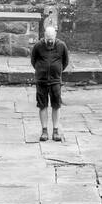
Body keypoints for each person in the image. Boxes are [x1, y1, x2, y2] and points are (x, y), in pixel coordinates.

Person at [30, 8, 69, 142]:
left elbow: (65, 62)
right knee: (42, 105)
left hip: (55, 81)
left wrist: (56, 71)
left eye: (52, 39)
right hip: (41, 81)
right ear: (44, 37)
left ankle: (56, 131)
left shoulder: (62, 46)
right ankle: (44, 131)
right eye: (48, 39)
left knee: (56, 105)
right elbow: (33, 61)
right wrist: (41, 70)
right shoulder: (38, 46)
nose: (50, 42)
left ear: (55, 37)